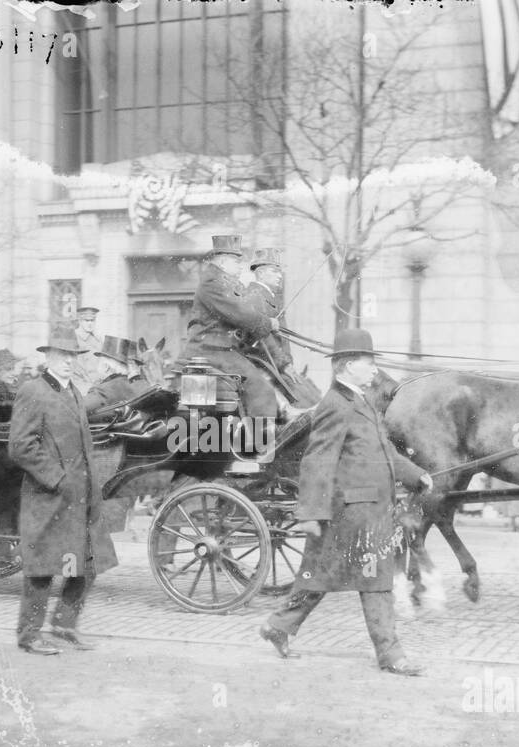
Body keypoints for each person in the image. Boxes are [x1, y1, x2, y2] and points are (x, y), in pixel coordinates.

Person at [257, 329, 433, 676]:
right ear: (349, 365)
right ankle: (391, 655)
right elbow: (317, 460)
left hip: (367, 509)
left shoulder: (361, 401)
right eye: (369, 363)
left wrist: (416, 475)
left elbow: (386, 453)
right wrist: (311, 514)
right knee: (375, 581)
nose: (374, 370)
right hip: (350, 513)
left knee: (321, 577)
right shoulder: (334, 405)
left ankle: (278, 626)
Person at [7, 334, 117, 655]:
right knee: (42, 569)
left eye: (74, 355)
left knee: (85, 562)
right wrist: (56, 479)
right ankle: (29, 635)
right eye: (62, 354)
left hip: (80, 497)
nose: (69, 360)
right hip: (49, 496)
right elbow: (20, 447)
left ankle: (64, 625)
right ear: (48, 356)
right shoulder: (33, 391)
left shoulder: (75, 393)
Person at [183, 234, 281, 426]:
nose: (240, 266)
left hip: (220, 347)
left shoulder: (224, 282)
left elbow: (245, 311)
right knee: (261, 389)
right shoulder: (212, 282)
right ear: (222, 261)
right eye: (237, 261)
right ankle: (261, 445)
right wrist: (267, 323)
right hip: (210, 349)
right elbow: (238, 312)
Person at [245, 248, 295, 372]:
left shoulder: (270, 297)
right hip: (263, 365)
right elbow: (263, 336)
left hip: (276, 363)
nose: (280, 276)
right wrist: (284, 364)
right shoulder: (254, 296)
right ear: (261, 273)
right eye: (275, 271)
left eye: (280, 272)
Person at [83, 337, 142, 414]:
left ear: (106, 367)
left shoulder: (104, 390)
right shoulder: (134, 387)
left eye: (99, 362)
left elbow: (75, 409)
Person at [72, 306, 102, 394]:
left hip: (98, 386)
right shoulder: (73, 337)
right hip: (80, 386)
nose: (90, 324)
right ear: (79, 321)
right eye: (86, 321)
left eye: (92, 320)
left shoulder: (98, 339)